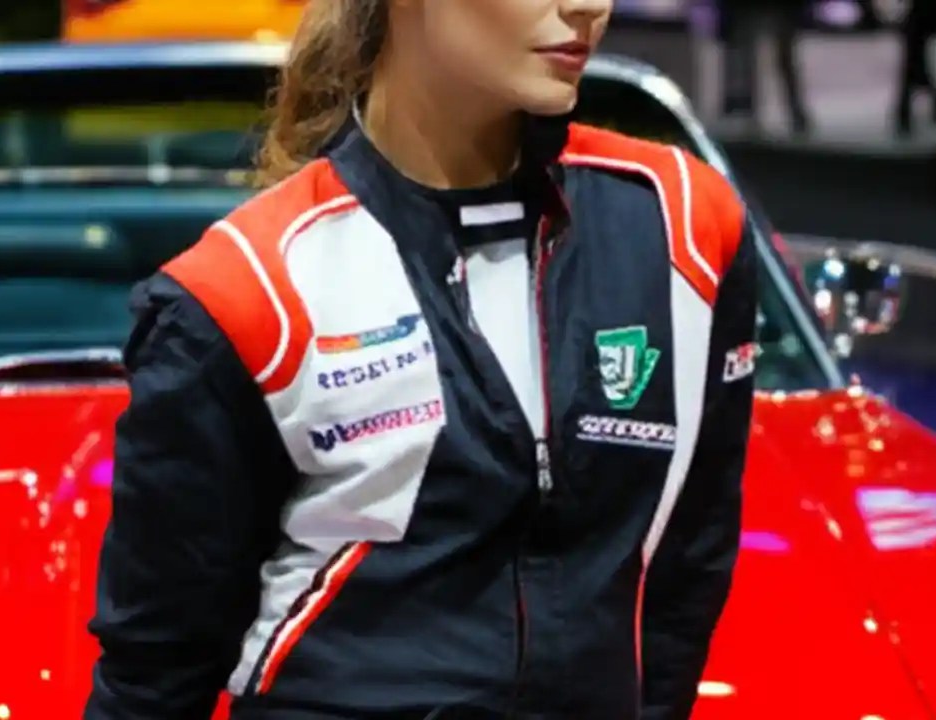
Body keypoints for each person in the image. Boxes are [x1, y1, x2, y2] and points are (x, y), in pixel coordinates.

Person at [86, 1, 758, 718]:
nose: (588, 4)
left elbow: (687, 574)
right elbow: (155, 676)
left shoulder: (683, 227)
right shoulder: (244, 291)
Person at [718, 0, 811, 133]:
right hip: (766, 8)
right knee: (772, 57)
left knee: (752, 56)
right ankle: (793, 112)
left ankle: (750, 111)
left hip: (760, 8)